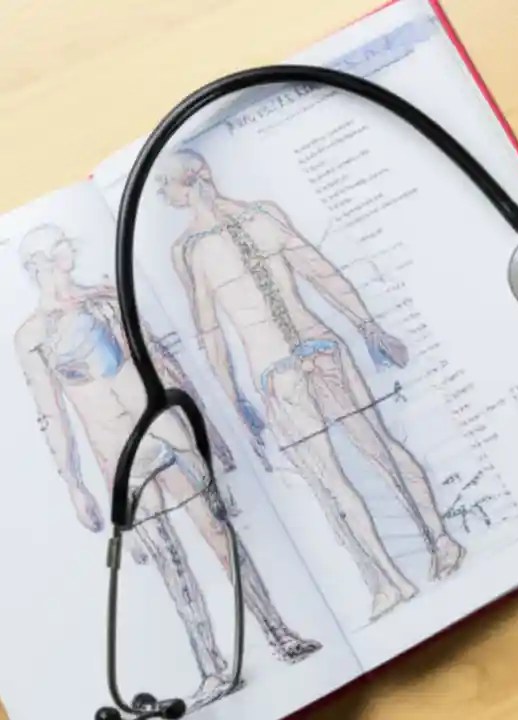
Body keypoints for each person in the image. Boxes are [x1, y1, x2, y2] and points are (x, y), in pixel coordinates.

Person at [13, 225, 321, 707]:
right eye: (58, 250)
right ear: (39, 263)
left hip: (165, 432)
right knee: (170, 564)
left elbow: (162, 364)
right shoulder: (32, 336)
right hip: (120, 458)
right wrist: (75, 486)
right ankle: (212, 670)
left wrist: (209, 439)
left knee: (220, 532)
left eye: (66, 246)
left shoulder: (107, 298)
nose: (68, 253)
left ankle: (278, 633)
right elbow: (50, 414)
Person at [157, 150, 464, 621]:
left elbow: (211, 334)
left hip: (276, 371)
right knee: (380, 448)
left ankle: (388, 582)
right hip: (322, 346)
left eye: (166, 185)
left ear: (189, 183)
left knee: (331, 482)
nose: (162, 194)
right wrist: (367, 326)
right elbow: (321, 271)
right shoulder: (262, 215)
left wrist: (236, 400)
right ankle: (439, 543)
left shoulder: (190, 249)